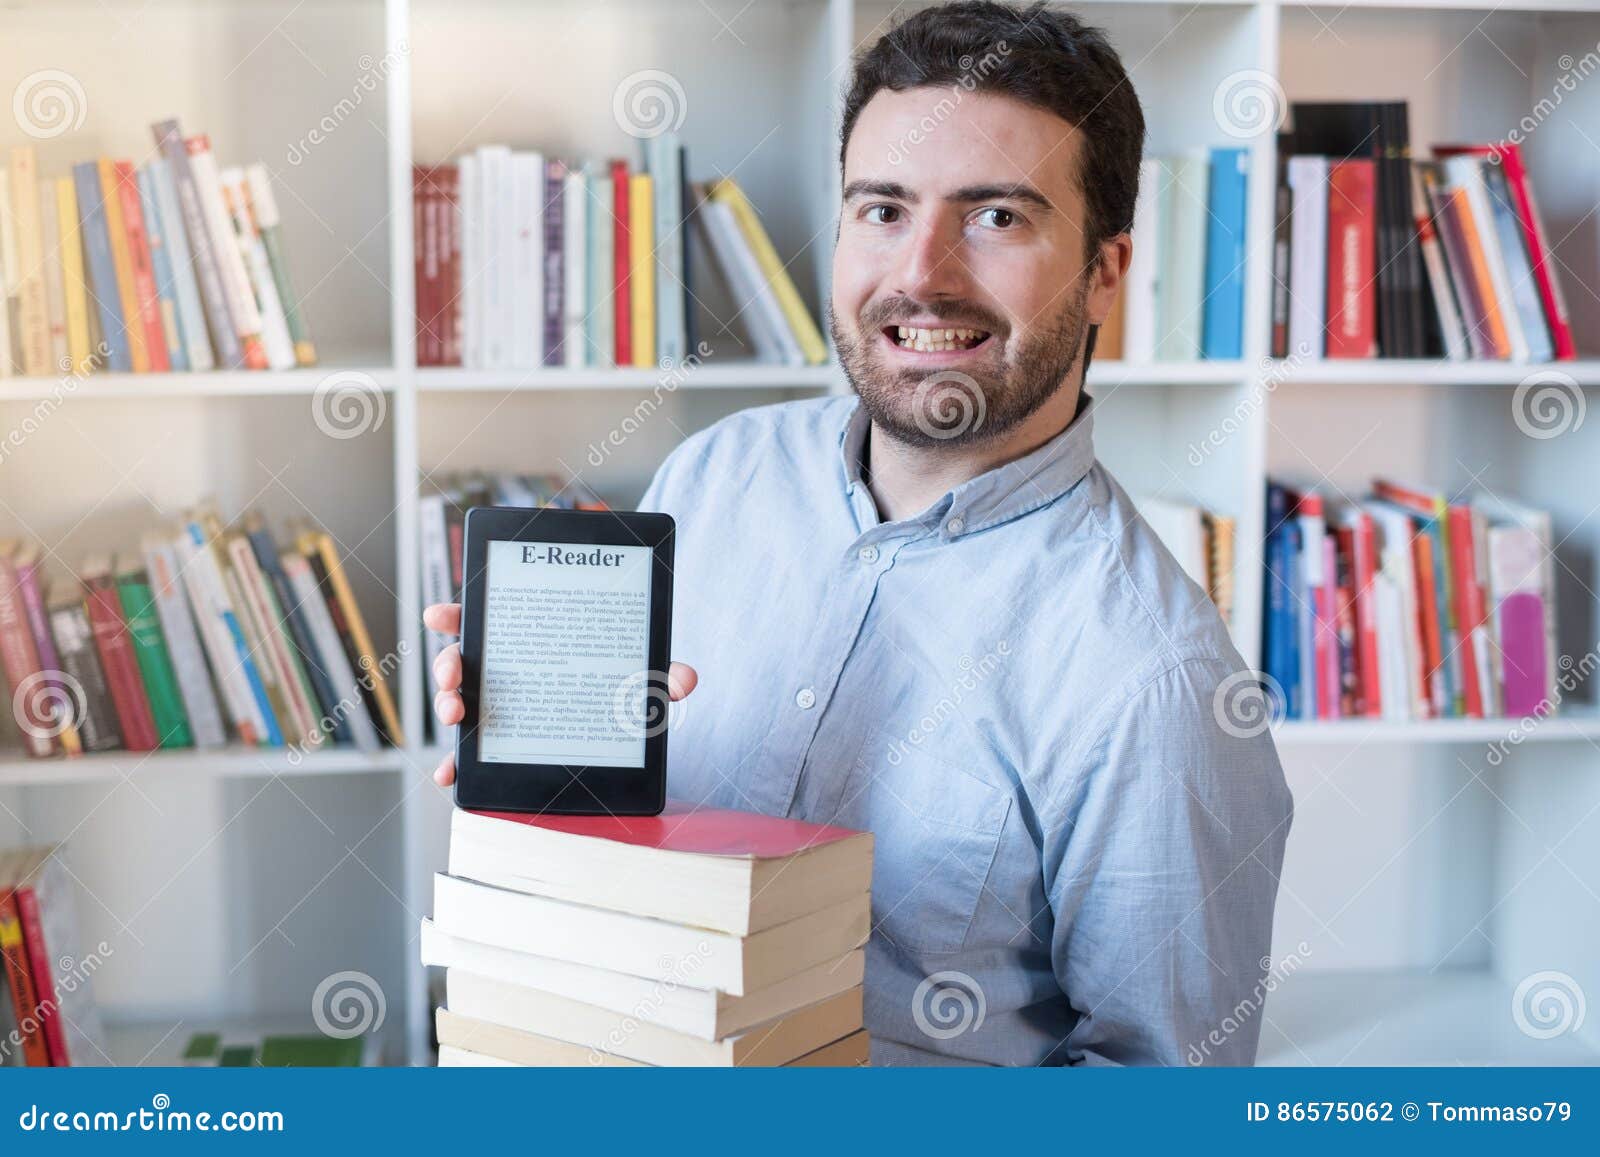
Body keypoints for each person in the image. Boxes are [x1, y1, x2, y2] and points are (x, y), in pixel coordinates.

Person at [427, 0, 1293, 1066]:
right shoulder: (715, 474)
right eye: (882, 207)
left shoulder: (1155, 684)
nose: (921, 272)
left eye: (998, 216)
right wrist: (532, 737)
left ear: (1107, 269)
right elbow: (631, 853)